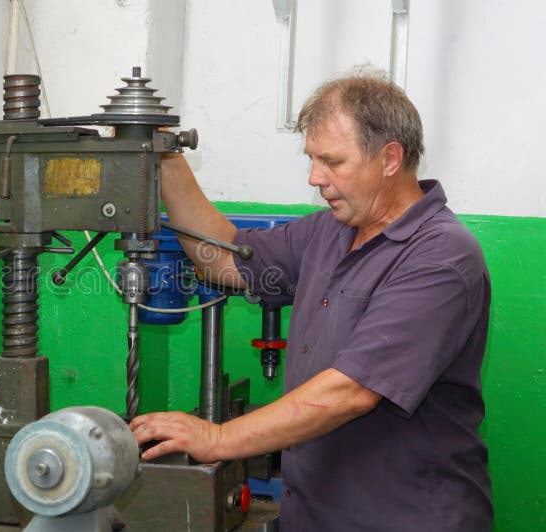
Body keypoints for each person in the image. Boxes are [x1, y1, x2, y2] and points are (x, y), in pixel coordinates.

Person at [129, 69, 493, 531]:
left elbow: (352, 391)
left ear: (390, 158)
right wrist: (168, 159)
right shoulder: (329, 231)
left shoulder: (441, 256)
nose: (314, 177)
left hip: (404, 516)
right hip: (314, 513)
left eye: (332, 161)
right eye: (312, 159)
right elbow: (221, 258)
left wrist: (216, 438)